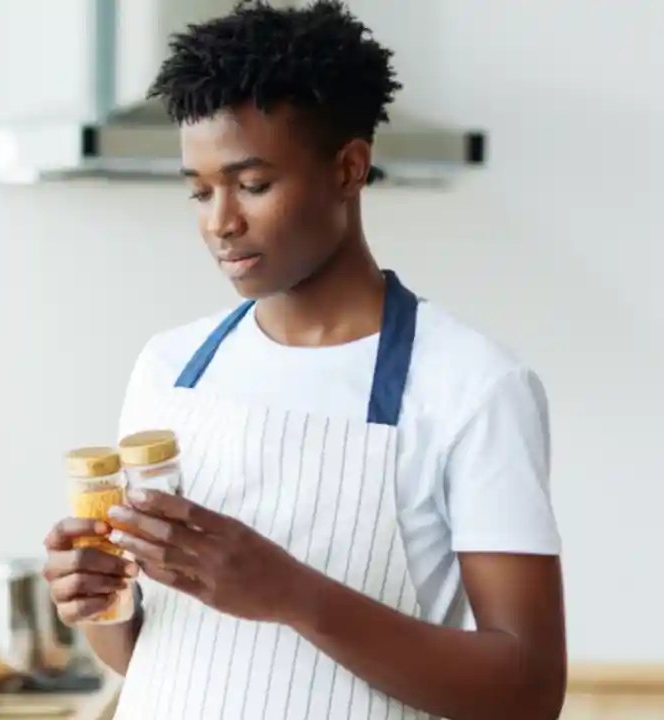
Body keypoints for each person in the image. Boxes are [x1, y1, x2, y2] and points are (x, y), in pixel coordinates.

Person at [40, 2, 567, 718]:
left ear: (348, 168)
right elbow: (157, 656)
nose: (221, 222)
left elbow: (529, 691)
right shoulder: (169, 370)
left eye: (253, 185)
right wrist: (99, 600)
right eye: (200, 190)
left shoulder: (473, 387)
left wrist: (292, 594)